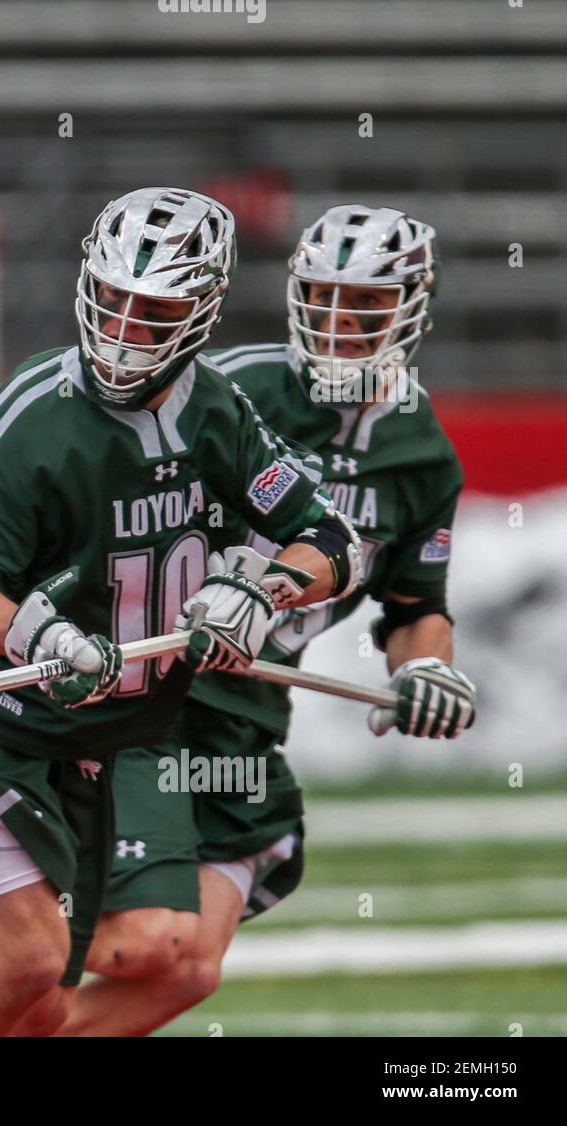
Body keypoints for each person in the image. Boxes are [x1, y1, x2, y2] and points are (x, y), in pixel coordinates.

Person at [0, 187, 360, 1036]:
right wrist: (45, 633)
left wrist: (262, 589)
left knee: (79, 987)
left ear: (200, 311)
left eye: (154, 307)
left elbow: (329, 537)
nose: (127, 325)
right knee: (27, 962)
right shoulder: (36, 420)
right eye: (116, 297)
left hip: (120, 739)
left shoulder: (218, 412)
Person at [59, 204, 475, 1036]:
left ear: (413, 307)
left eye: (362, 307)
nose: (335, 326)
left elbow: (414, 608)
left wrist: (424, 667)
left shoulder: (422, 453)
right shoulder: (230, 386)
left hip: (245, 716)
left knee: (187, 971)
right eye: (319, 297)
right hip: (149, 690)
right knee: (139, 941)